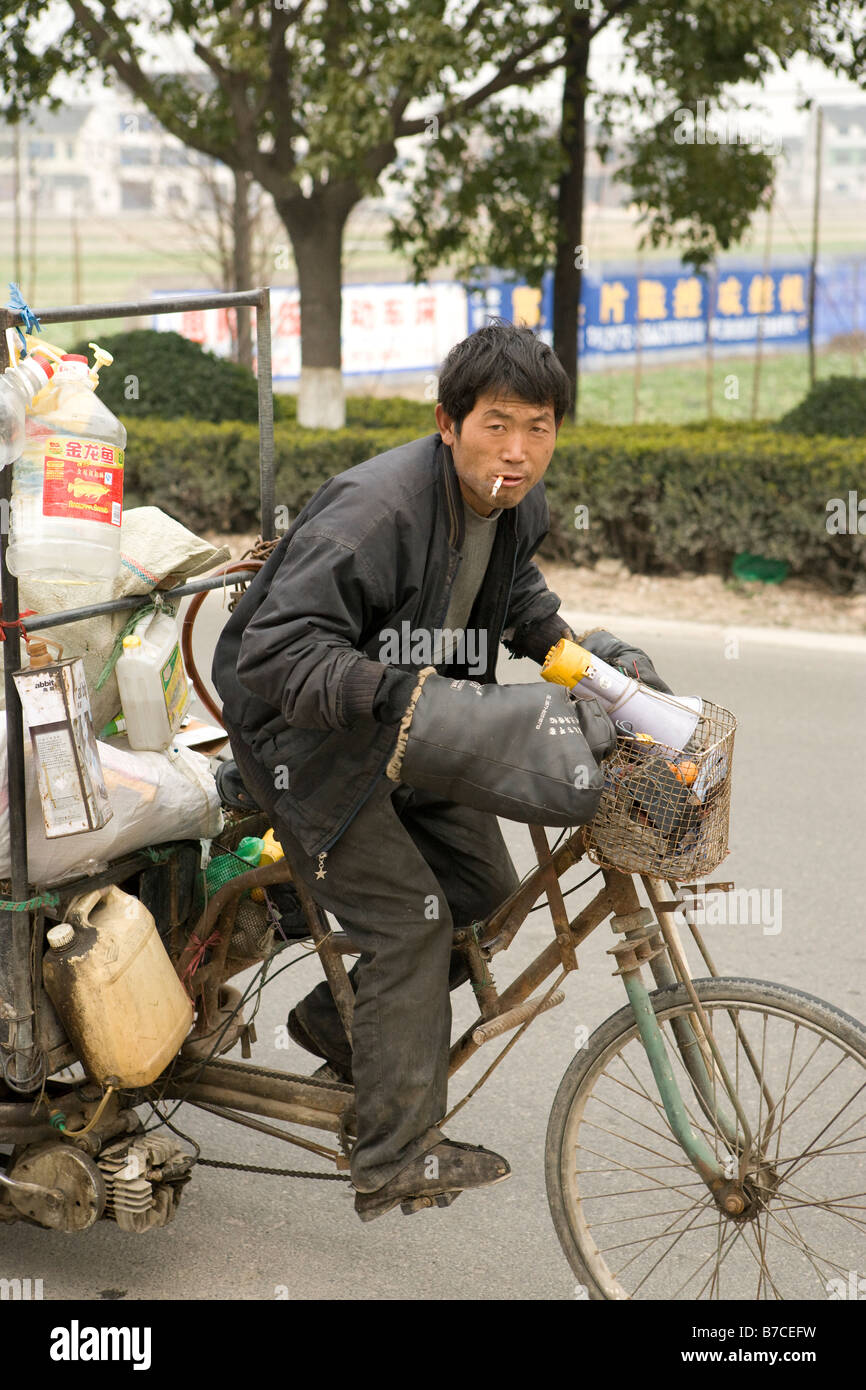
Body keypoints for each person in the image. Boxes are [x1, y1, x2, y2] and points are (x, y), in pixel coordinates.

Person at [212, 319, 669, 1222]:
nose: (519, 449)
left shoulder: (512, 506)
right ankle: (391, 1158)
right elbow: (272, 657)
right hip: (304, 743)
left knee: (487, 893)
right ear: (448, 423)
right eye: (497, 424)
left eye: (539, 427)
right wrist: (396, 695)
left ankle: (333, 1026)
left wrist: (604, 680)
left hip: (417, 721)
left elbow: (520, 605)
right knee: (411, 926)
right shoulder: (377, 512)